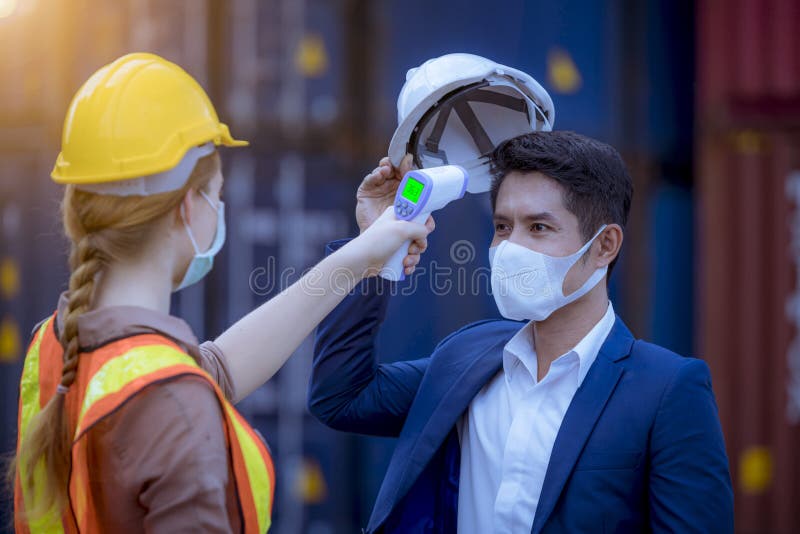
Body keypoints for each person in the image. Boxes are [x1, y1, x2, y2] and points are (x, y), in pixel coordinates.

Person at [11, 53, 429, 533]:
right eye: (217, 193)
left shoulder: (58, 341)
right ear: (189, 207)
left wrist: (360, 257)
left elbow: (217, 369)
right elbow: (184, 395)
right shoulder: (174, 408)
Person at [309, 131, 734, 533]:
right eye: (502, 227)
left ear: (605, 245)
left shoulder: (668, 391)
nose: (511, 248)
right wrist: (372, 250)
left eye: (539, 228)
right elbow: (341, 398)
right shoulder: (466, 358)